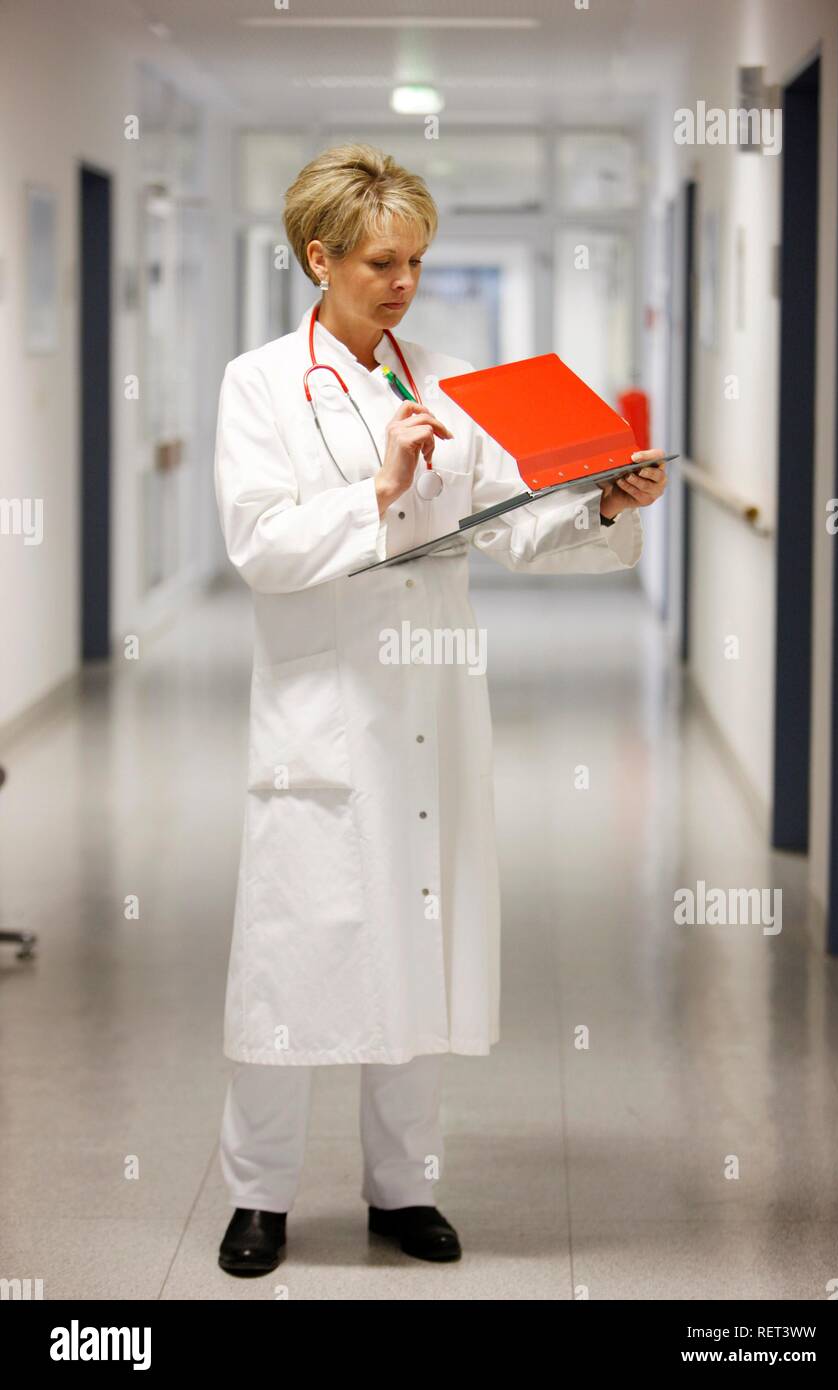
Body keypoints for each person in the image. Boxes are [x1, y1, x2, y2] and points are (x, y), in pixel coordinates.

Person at [213, 143, 667, 1277]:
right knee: (291, 956)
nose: (401, 281)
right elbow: (260, 545)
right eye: (379, 260)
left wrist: (605, 505)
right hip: (324, 716)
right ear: (318, 258)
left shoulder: (451, 381)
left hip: (429, 714)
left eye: (414, 258)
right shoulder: (261, 383)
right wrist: (374, 494)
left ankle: (402, 1189)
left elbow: (516, 527)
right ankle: (257, 1196)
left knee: (415, 952)